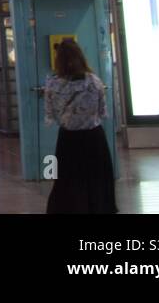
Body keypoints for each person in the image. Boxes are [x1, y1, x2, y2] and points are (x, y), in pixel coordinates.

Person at [43, 39, 117, 214]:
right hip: (94, 137)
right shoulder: (94, 81)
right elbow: (102, 111)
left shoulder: (53, 84)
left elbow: (50, 114)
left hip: (68, 139)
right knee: (97, 178)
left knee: (66, 178)